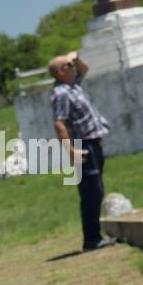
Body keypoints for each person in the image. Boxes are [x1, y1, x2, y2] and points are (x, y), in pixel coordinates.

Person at [47, 52, 115, 252]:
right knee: (91, 192)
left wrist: (75, 58)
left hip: (93, 143)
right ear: (61, 71)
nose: (74, 67)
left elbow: (84, 69)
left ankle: (94, 236)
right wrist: (71, 152)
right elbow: (59, 124)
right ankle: (92, 239)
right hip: (82, 146)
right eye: (69, 65)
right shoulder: (61, 93)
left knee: (97, 189)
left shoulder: (73, 86)